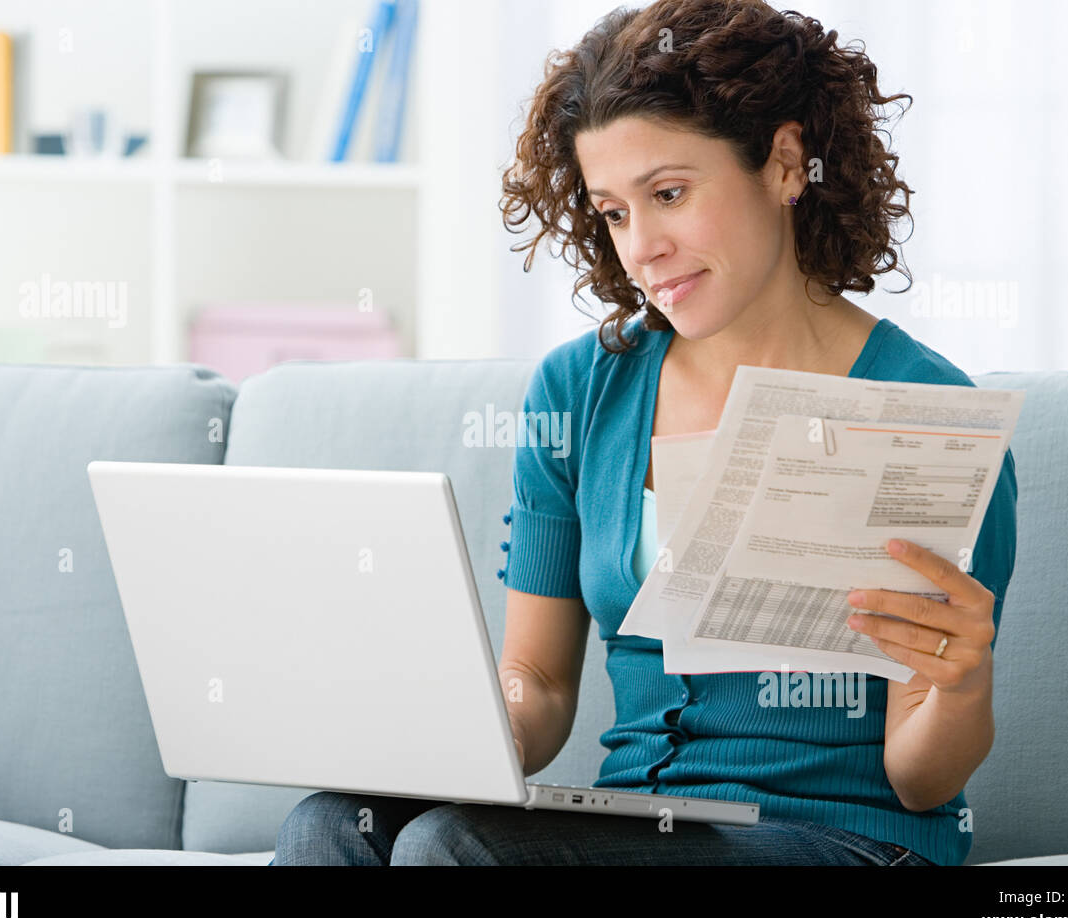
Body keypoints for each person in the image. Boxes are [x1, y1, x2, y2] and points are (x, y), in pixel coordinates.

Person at [272, 0, 1017, 866]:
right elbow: (541, 685)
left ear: (783, 164)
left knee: (455, 847)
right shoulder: (580, 389)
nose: (643, 249)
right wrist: (452, 732)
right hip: (637, 828)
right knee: (329, 822)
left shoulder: (922, 408)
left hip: (844, 840)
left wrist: (960, 684)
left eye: (669, 194)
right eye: (615, 212)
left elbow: (922, 779)